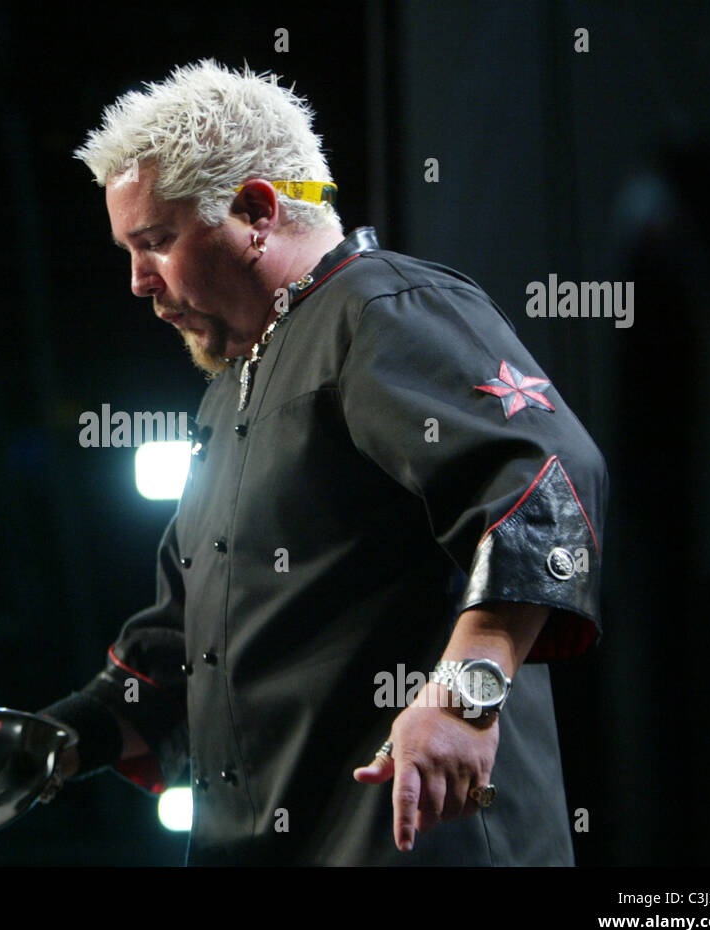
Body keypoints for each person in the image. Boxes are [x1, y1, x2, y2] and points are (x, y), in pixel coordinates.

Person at [41, 59, 607, 865]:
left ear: (257, 211)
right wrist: (30, 749)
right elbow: (173, 652)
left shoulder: (382, 309)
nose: (138, 282)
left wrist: (465, 698)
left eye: (157, 242)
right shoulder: (230, 391)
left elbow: (548, 479)